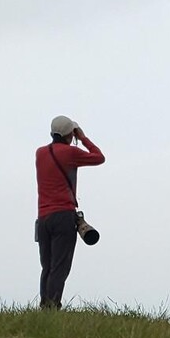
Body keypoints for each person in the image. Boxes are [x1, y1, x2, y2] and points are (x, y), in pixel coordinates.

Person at [35, 114, 104, 309]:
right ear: (69, 134)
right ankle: (52, 306)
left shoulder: (40, 153)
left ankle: (45, 306)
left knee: (47, 266)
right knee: (60, 266)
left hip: (43, 218)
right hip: (63, 215)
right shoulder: (70, 153)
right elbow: (99, 157)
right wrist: (82, 138)